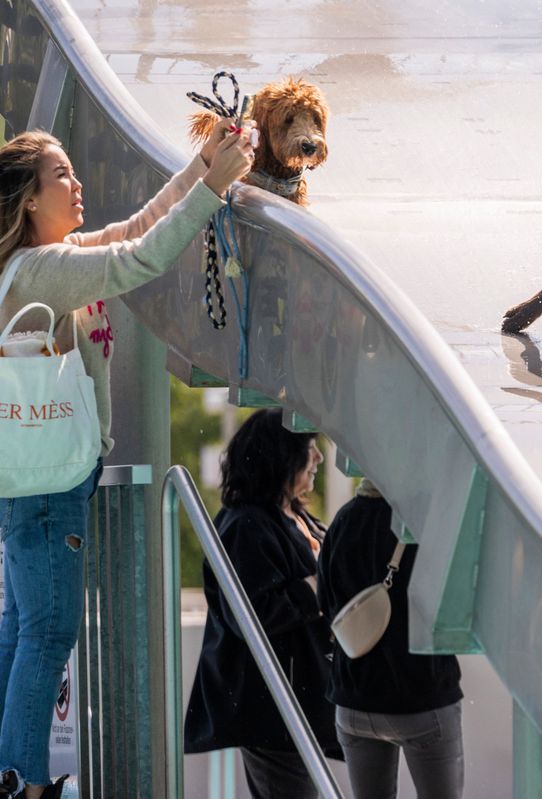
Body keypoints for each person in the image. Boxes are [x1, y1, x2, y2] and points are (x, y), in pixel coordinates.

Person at [0, 122, 255, 799]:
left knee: (21, 629)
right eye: (61, 176)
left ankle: (10, 774)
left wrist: (202, 166)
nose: (77, 185)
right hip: (51, 482)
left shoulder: (41, 263)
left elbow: (138, 226)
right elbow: (142, 257)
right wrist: (217, 188)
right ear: (28, 199)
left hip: (32, 479)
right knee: (48, 631)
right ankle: (23, 783)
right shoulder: (47, 271)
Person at [184, 408, 341, 798]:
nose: (319, 457)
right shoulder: (246, 524)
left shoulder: (291, 515)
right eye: (309, 448)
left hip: (298, 704)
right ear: (282, 457)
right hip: (273, 708)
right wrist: (313, 587)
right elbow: (251, 616)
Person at [317, 478, 465, 799]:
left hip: (353, 701)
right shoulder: (424, 521)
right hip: (420, 695)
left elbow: (327, 606)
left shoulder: (342, 521)